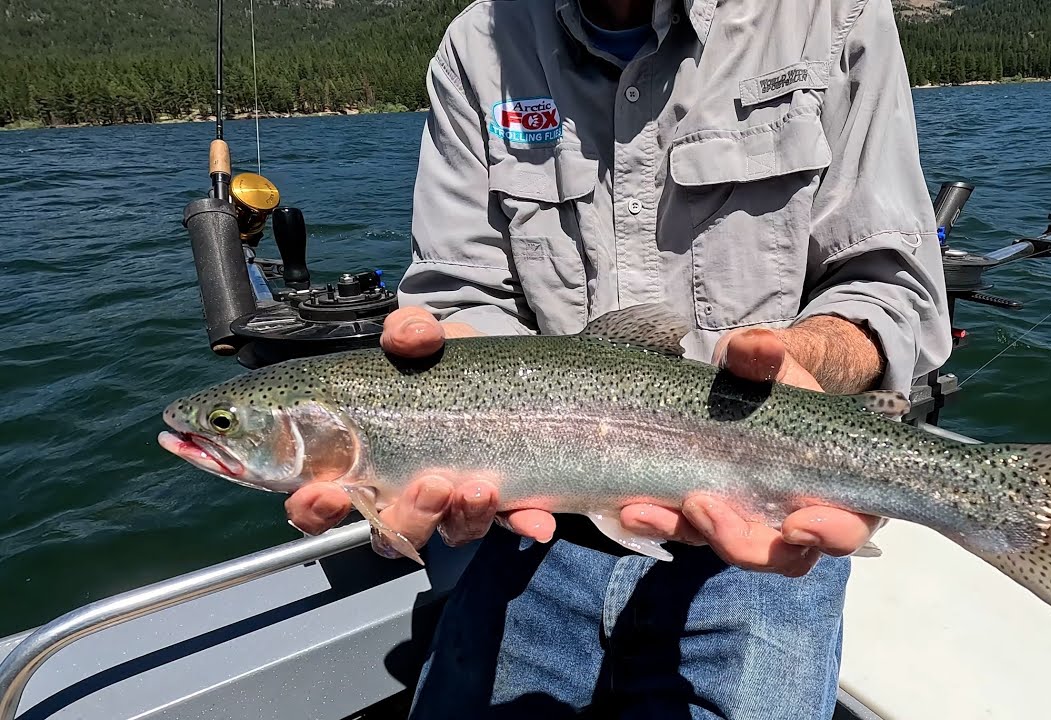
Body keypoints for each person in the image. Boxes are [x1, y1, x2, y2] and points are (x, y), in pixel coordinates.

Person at [288, 0, 950, 717]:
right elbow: (463, 295)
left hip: (769, 528)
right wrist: (451, 386)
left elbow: (887, 288)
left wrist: (809, 359)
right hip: (535, 526)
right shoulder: (478, 43)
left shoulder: (835, 15)